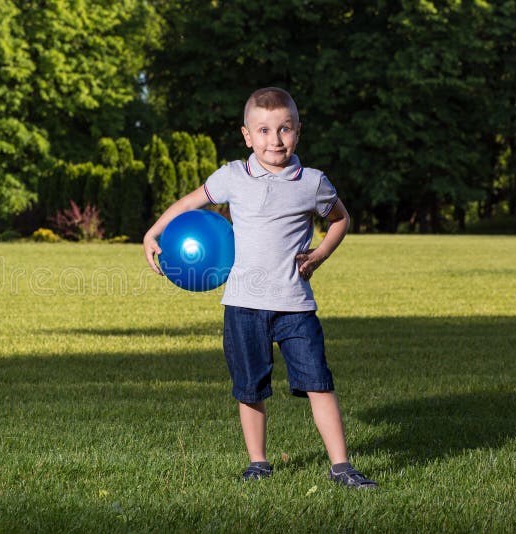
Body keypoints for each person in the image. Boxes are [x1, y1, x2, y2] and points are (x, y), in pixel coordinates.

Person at [143, 87, 377, 489]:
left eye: (285, 129)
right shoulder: (233, 176)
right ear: (247, 135)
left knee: (319, 383)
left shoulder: (313, 182)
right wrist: (154, 231)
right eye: (264, 130)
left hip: (295, 307)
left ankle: (342, 466)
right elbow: (190, 203)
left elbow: (341, 220)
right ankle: (258, 462)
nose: (276, 139)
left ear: (298, 132)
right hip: (242, 305)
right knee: (249, 388)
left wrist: (319, 255)